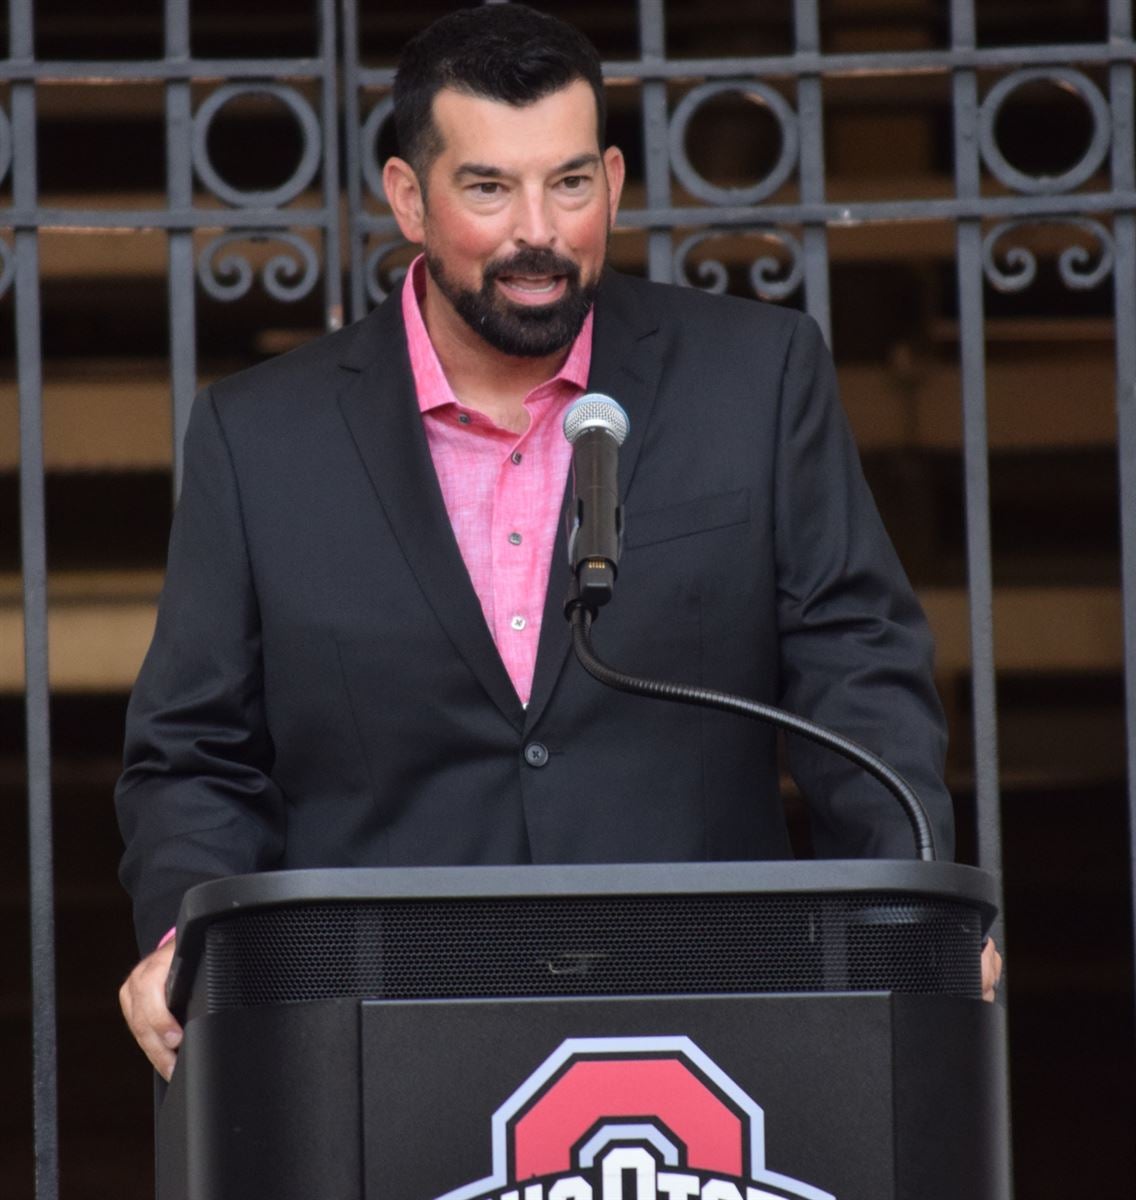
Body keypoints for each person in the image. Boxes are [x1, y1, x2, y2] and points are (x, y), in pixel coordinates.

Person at [117, 4, 1000, 1080]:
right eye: (488, 187)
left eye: (570, 183)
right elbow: (193, 752)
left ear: (614, 183)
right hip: (372, 1038)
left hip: (710, 1025)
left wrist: (903, 900)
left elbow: (855, 672)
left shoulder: (756, 378)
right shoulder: (259, 436)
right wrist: (182, 942)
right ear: (408, 197)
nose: (537, 229)